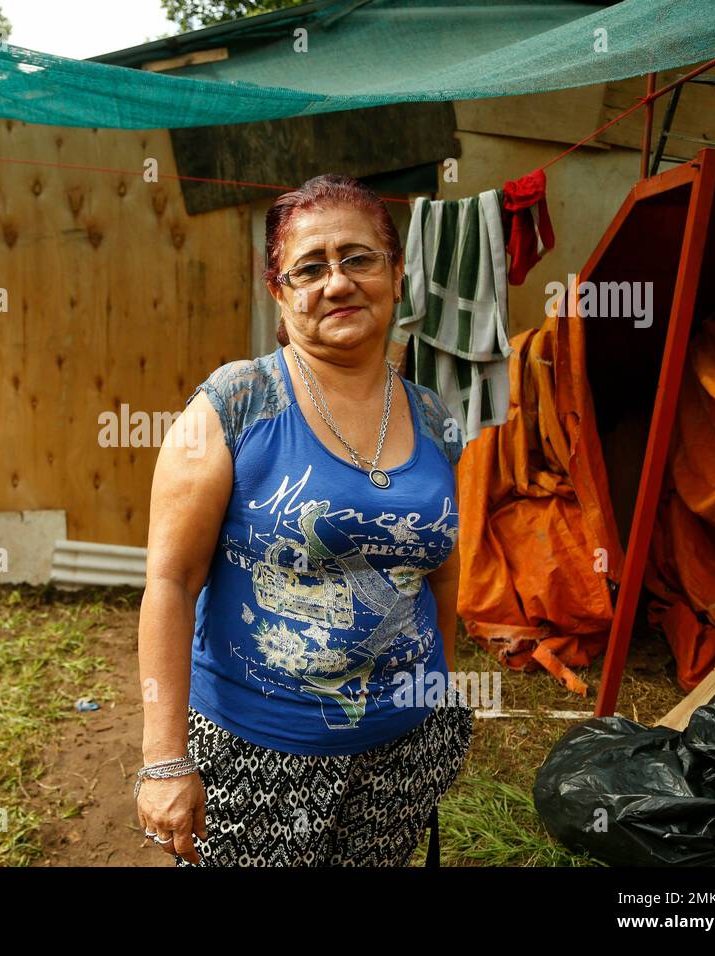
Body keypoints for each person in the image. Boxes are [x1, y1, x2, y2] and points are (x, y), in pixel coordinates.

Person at [136, 174, 473, 866]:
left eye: (359, 259)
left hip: (404, 749)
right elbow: (170, 581)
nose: (337, 283)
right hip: (257, 754)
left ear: (395, 272)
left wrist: (439, 694)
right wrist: (165, 760)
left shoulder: (435, 418)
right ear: (279, 290)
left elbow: (440, 569)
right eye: (310, 268)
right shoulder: (235, 406)